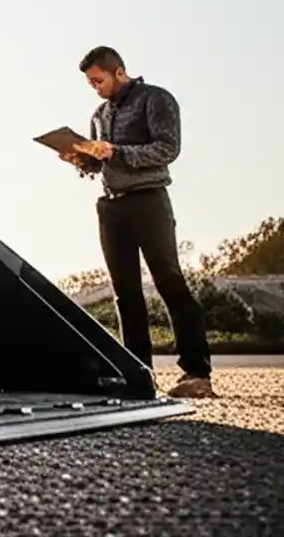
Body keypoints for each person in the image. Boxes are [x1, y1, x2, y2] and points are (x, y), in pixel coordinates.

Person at [60, 45, 215, 399]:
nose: (95, 88)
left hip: (150, 201)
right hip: (111, 208)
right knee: (125, 293)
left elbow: (167, 149)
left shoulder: (155, 99)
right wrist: (81, 160)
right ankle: (138, 373)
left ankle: (196, 372)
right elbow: (101, 165)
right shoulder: (98, 114)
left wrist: (116, 152)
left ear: (119, 72)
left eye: (98, 80)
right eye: (90, 83)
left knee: (169, 280)